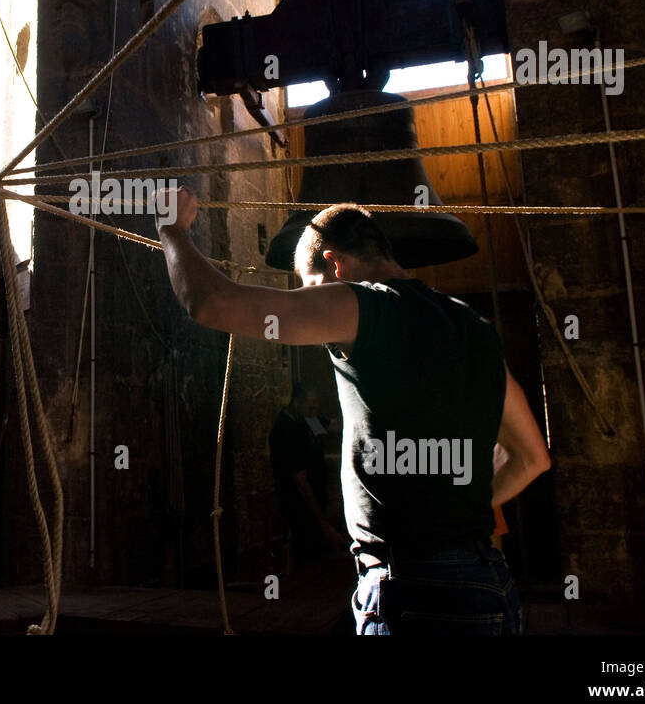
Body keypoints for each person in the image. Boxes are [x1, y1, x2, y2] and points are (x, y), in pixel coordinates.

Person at [157, 190, 551, 634]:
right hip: (488, 585)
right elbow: (533, 457)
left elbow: (209, 303)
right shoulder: (475, 328)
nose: (311, 304)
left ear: (335, 264)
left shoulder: (359, 302)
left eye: (309, 287)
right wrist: (450, 516)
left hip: (413, 589)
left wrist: (172, 230)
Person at [269, 382, 343, 563]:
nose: (314, 413)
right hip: (299, 506)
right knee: (310, 558)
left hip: (316, 499)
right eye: (310, 409)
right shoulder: (285, 432)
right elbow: (301, 484)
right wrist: (324, 525)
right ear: (296, 403)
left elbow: (334, 426)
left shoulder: (308, 419)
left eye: (316, 409)